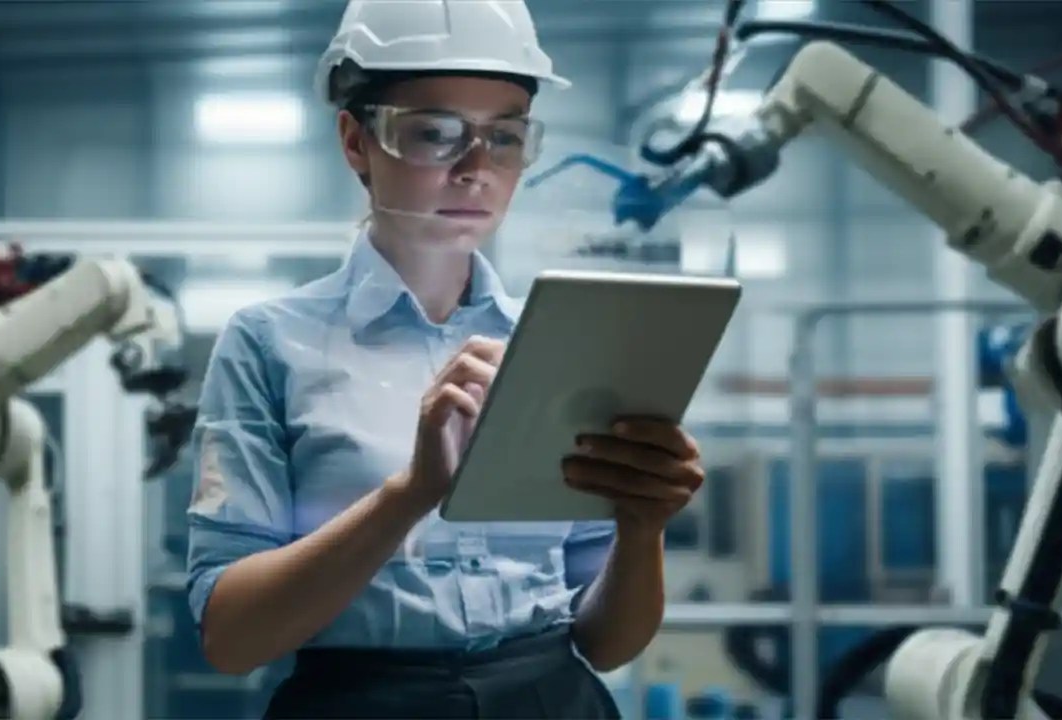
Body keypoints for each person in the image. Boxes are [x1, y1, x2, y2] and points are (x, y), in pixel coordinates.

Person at [185, 1, 707, 717]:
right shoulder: (269, 343)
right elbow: (232, 638)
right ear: (355, 141)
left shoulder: (561, 343)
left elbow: (606, 643)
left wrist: (644, 527)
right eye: (433, 134)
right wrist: (411, 493)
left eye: (506, 137)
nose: (476, 169)